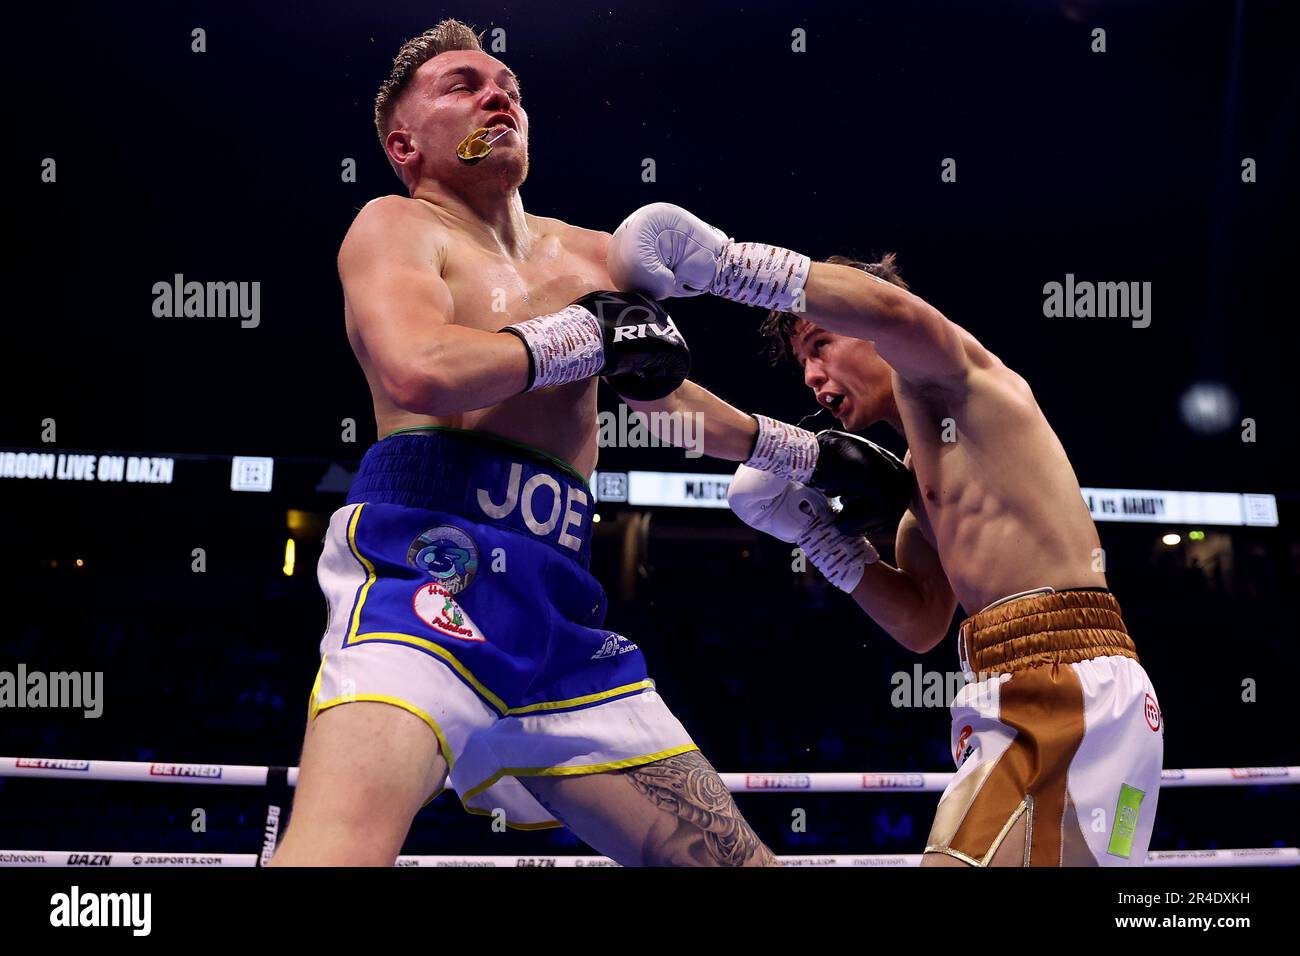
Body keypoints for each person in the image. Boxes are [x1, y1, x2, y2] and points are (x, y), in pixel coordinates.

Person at [271, 22, 797, 867]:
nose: (499, 95)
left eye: (508, 86)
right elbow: (420, 368)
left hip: (558, 606)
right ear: (404, 146)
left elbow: (662, 400)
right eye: (463, 85)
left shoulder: (595, 256)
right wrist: (580, 335)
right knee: (337, 853)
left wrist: (803, 456)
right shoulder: (396, 227)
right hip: (425, 579)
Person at [603, 201, 1164, 867]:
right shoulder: (916, 496)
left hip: (1065, 688)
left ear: (865, 327)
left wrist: (726, 265)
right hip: (1044, 691)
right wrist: (822, 539)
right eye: (802, 362)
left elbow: (893, 313)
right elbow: (921, 623)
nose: (812, 376)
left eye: (820, 345)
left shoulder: (960, 380)